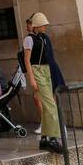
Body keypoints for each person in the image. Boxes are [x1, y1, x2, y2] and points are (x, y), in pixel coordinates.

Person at [23, 12, 66, 154]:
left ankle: (45, 139)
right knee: (51, 105)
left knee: (49, 107)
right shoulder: (29, 40)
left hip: (46, 70)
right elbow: (27, 61)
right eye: (42, 24)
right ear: (37, 26)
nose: (45, 27)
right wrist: (31, 79)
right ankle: (53, 138)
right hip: (37, 71)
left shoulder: (44, 38)